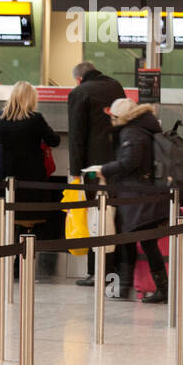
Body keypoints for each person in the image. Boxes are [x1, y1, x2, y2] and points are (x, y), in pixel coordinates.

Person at [92, 99, 170, 304]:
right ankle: (159, 288)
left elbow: (130, 161)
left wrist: (105, 169)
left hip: (139, 196)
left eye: (112, 117)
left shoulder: (132, 132)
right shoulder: (144, 127)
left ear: (120, 117)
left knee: (130, 239)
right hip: (146, 194)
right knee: (144, 241)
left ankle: (127, 286)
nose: (111, 121)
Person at [0, 81, 61, 278]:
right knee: (28, 220)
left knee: (7, 217)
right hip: (30, 175)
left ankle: (5, 261)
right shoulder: (35, 119)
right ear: (31, 99)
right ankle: (21, 263)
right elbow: (54, 140)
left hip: (4, 173)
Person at [67, 62, 125, 286]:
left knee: (95, 218)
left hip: (92, 168)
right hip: (117, 164)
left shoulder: (79, 92)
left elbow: (77, 136)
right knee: (111, 217)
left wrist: (74, 172)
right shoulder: (115, 86)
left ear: (79, 78)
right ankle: (112, 270)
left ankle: (96, 272)